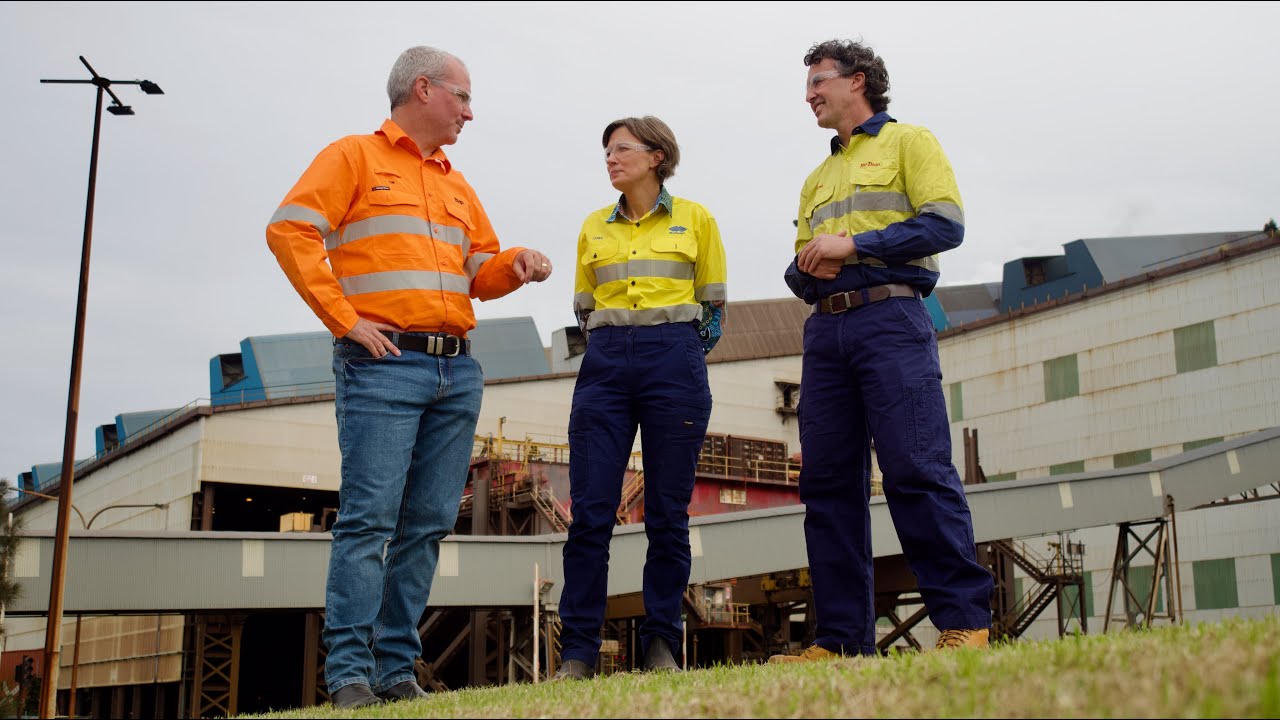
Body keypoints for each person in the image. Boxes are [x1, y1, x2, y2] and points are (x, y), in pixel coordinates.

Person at [265, 46, 553, 707]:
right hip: (384, 366)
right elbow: (289, 230)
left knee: (426, 525)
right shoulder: (352, 158)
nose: (470, 113)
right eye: (463, 97)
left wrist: (516, 265)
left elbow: (478, 271)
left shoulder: (456, 184)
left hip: (456, 371)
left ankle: (396, 670)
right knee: (369, 522)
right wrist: (344, 320)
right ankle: (349, 676)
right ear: (422, 89)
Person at [770, 39, 993, 663]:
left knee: (916, 466)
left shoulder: (909, 142)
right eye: (808, 84)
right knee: (828, 483)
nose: (809, 94)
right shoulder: (817, 176)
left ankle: (965, 621)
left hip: (892, 318)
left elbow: (945, 226)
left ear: (858, 81)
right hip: (826, 330)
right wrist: (810, 265)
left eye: (819, 80)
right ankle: (841, 640)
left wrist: (854, 246)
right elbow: (801, 263)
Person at [552, 117, 727, 680]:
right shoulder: (591, 227)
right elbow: (583, 309)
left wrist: (676, 352)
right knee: (590, 516)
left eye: (621, 149)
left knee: (666, 516)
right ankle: (577, 653)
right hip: (604, 367)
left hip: (673, 363)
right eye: (606, 151)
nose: (610, 158)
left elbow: (714, 311)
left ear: (656, 156)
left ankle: (661, 645)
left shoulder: (696, 220)